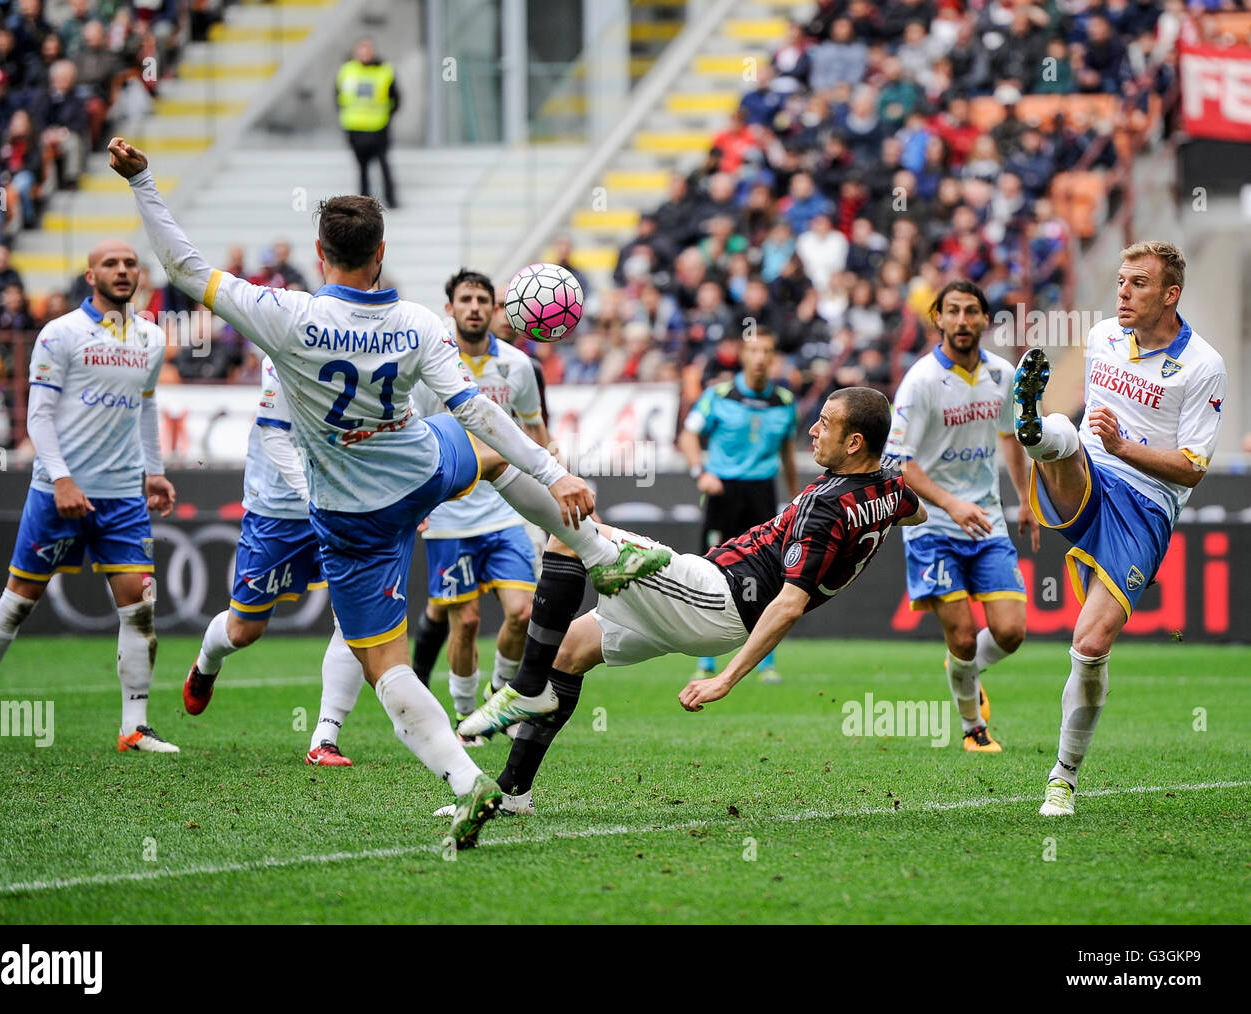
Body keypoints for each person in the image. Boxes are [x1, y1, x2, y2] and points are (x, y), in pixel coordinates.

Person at [109, 136, 671, 847]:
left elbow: (183, 267)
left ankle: (468, 785)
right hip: (417, 467)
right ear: (380, 254)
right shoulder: (414, 321)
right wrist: (554, 470)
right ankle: (599, 555)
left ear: (321, 254)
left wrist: (143, 180)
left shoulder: (284, 315)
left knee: (386, 663)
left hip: (348, 511)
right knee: (495, 460)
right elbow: (474, 410)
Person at [454, 388, 926, 813]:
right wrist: (878, 500)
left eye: (826, 422)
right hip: (710, 603)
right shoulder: (890, 488)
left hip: (713, 597)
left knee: (570, 532)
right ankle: (514, 794)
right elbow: (917, 512)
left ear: (854, 443)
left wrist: (725, 679)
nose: (813, 429)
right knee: (570, 653)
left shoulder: (826, 506)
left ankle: (528, 688)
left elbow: (788, 604)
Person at [1012, 241, 1226, 817]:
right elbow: (1093, 427)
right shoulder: (1104, 335)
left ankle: (1063, 777)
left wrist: (1124, 446)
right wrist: (1102, 446)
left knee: (1089, 643)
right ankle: (1031, 430)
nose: (1123, 293)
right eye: (1121, 281)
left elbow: (1192, 469)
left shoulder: (1204, 365)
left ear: (1170, 294)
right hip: (1088, 471)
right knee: (1061, 429)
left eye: (1138, 284)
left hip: (1149, 503)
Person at [0, 239, 178, 755]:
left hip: (122, 498)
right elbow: (39, 415)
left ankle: (134, 727)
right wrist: (60, 479)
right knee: (17, 605)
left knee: (140, 609)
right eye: (110, 264)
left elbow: (145, 408)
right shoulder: (61, 334)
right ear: (90, 275)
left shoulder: (149, 336)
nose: (122, 271)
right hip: (59, 493)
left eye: (129, 264)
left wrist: (155, 472)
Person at [181, 356, 360, 767]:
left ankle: (324, 738)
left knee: (353, 617)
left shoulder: (367, 349)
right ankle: (207, 663)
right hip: (278, 511)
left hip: (343, 505)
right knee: (244, 631)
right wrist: (312, 494)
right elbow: (273, 435)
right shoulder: (283, 349)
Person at [883, 280, 1038, 753]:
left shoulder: (1002, 374)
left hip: (987, 519)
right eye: (953, 311)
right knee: (964, 636)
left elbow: (1010, 436)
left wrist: (1026, 500)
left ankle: (962, 671)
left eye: (972, 311)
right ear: (939, 319)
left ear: (984, 320)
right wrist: (950, 504)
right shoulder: (921, 381)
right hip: (932, 525)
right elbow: (898, 463)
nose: (963, 320)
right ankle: (974, 727)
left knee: (1011, 632)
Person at [408, 270, 548, 752]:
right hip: (448, 511)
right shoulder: (433, 365)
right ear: (450, 307)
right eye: (464, 299)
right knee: (464, 621)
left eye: (482, 300)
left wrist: (547, 493)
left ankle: (499, 694)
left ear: (494, 310)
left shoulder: (518, 367)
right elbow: (413, 434)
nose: (473, 306)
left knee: (522, 612)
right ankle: (466, 714)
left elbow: (536, 432)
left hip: (505, 507)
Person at [679, 329, 799, 683]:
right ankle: (706, 660)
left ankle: (766, 661)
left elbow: (788, 454)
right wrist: (700, 471)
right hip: (722, 491)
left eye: (767, 351)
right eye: (754, 350)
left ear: (774, 357)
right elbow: (687, 435)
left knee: (769, 578)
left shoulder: (784, 402)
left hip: (762, 492)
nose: (760, 357)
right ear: (743, 356)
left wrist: (796, 500)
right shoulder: (718, 395)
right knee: (709, 573)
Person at [336, 38, 399, 209]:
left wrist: (385, 116)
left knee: (384, 164)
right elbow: (338, 97)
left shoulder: (384, 70)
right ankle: (363, 204)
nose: (364, 54)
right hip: (355, 127)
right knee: (362, 168)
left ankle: (391, 199)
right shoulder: (347, 70)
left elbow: (396, 98)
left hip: (378, 127)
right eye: (361, 50)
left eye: (368, 50)